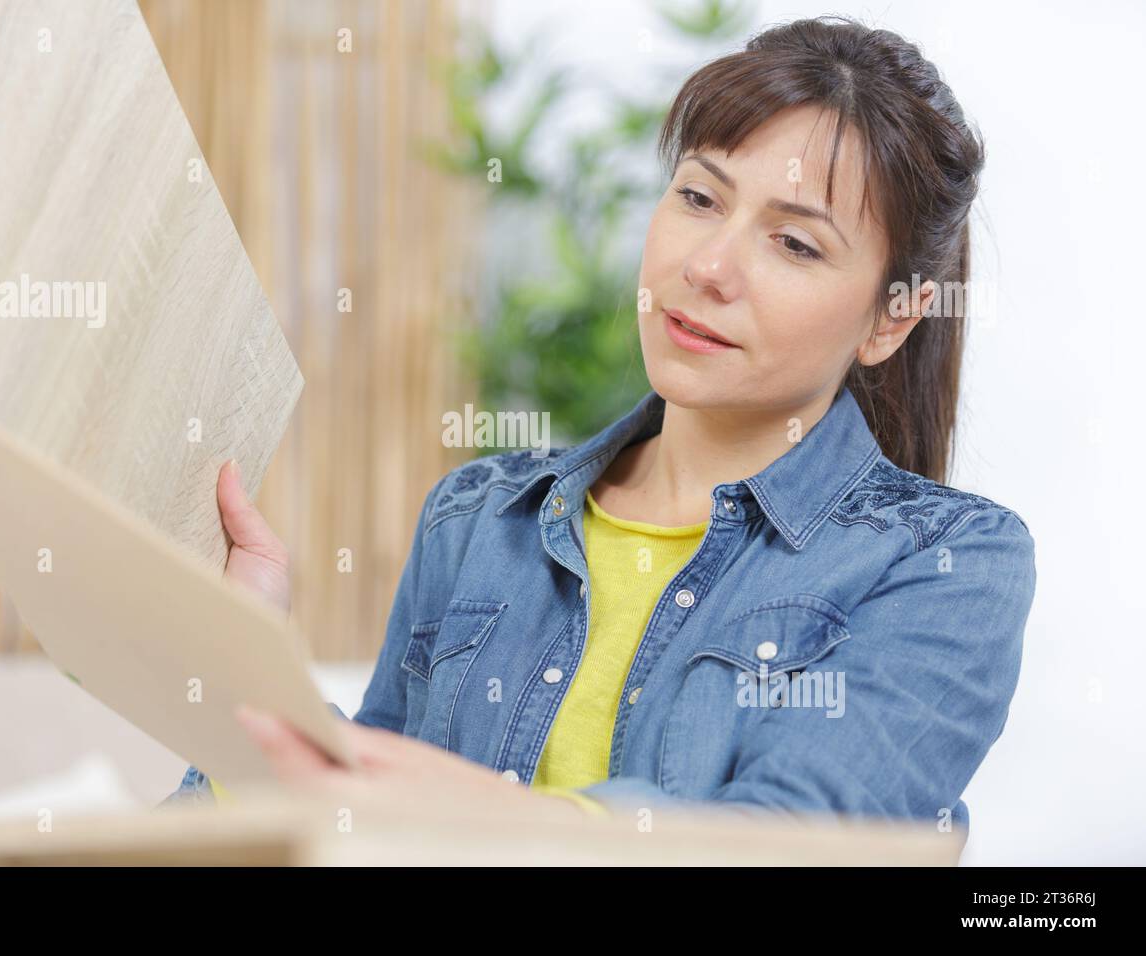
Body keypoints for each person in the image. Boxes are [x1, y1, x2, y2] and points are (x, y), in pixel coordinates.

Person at [167, 15, 1036, 835]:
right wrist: (246, 660)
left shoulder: (946, 563)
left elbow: (790, 843)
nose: (707, 266)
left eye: (795, 245)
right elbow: (357, 827)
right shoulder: (478, 515)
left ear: (892, 319)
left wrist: (492, 819)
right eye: (699, 196)